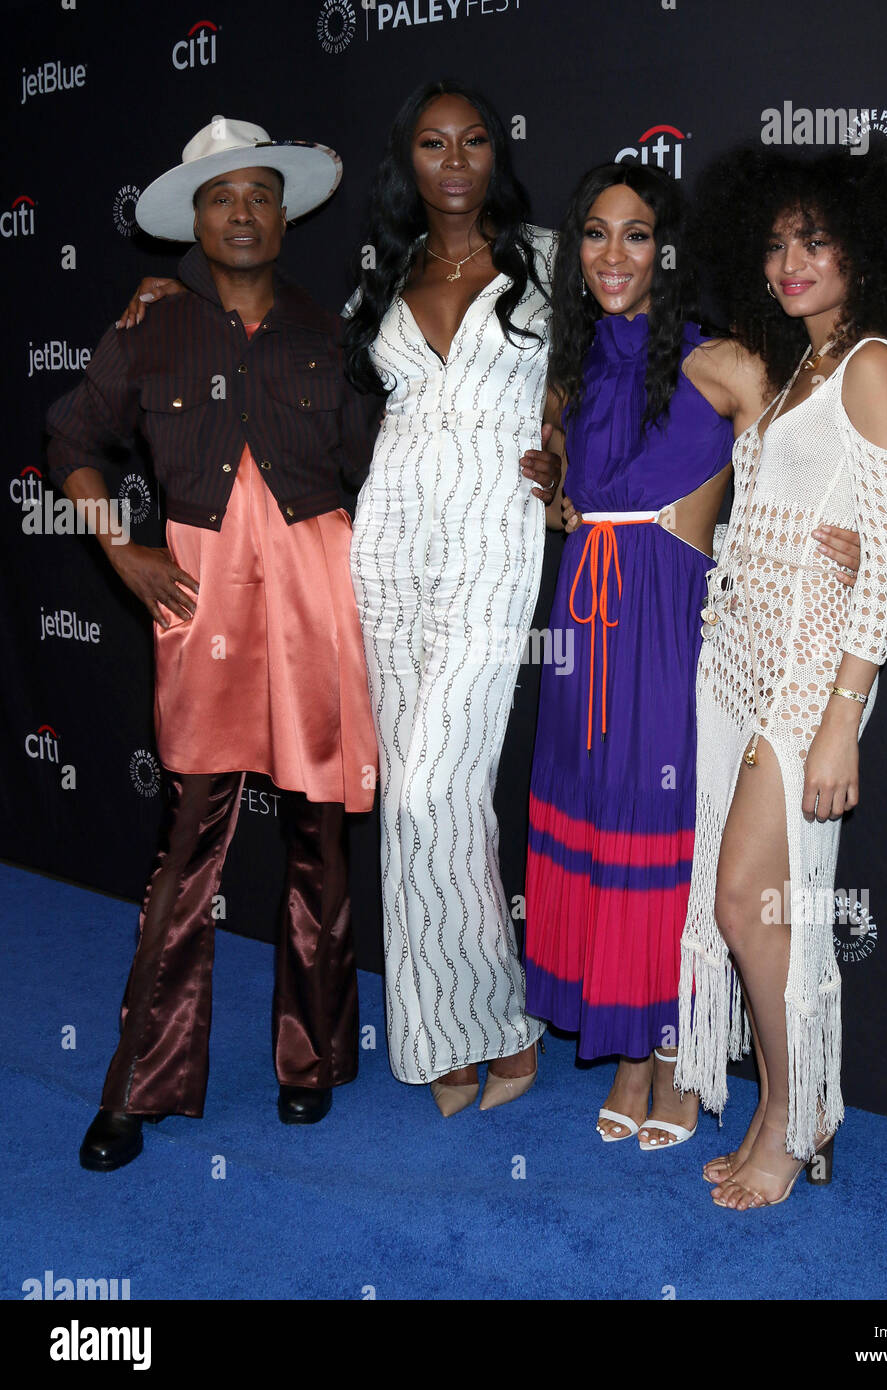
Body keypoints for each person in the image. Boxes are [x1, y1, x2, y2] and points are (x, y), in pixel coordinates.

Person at [47, 117, 378, 1170]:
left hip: (318, 602)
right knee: (188, 845)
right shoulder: (148, 328)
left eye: (260, 194)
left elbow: (388, 474)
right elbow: (70, 442)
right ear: (194, 216)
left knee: (320, 839)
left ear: (284, 212)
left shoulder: (328, 334)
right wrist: (121, 552)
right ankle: (137, 1082)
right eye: (221, 195)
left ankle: (312, 1059)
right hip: (201, 603)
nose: (243, 211)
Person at [526, 162, 863, 1150]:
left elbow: (800, 461)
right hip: (579, 634)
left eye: (636, 235)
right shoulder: (569, 369)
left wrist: (847, 536)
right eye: (593, 233)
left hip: (670, 625)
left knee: (665, 835)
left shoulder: (718, 362)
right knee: (594, 817)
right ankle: (627, 1050)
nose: (612, 255)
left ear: (666, 251)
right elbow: (565, 502)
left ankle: (676, 1053)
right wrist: (554, 490)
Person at [673, 145, 887, 1206]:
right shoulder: (794, 363)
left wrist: (839, 720)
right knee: (751, 906)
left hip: (807, 679)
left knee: (753, 900)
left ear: (864, 248)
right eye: (775, 242)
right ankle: (782, 1104)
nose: (788, 261)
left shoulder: (871, 362)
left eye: (814, 240)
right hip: (740, 660)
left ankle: (794, 1119)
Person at [341, 80, 561, 1114]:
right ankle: (447, 1030)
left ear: (495, 151)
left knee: (435, 783)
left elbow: (610, 378)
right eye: (432, 142)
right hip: (387, 546)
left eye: (474, 138)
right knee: (424, 796)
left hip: (492, 543)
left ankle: (494, 1019)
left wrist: (564, 448)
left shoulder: (550, 261)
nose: (456, 158)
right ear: (408, 160)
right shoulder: (380, 274)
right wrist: (171, 298)